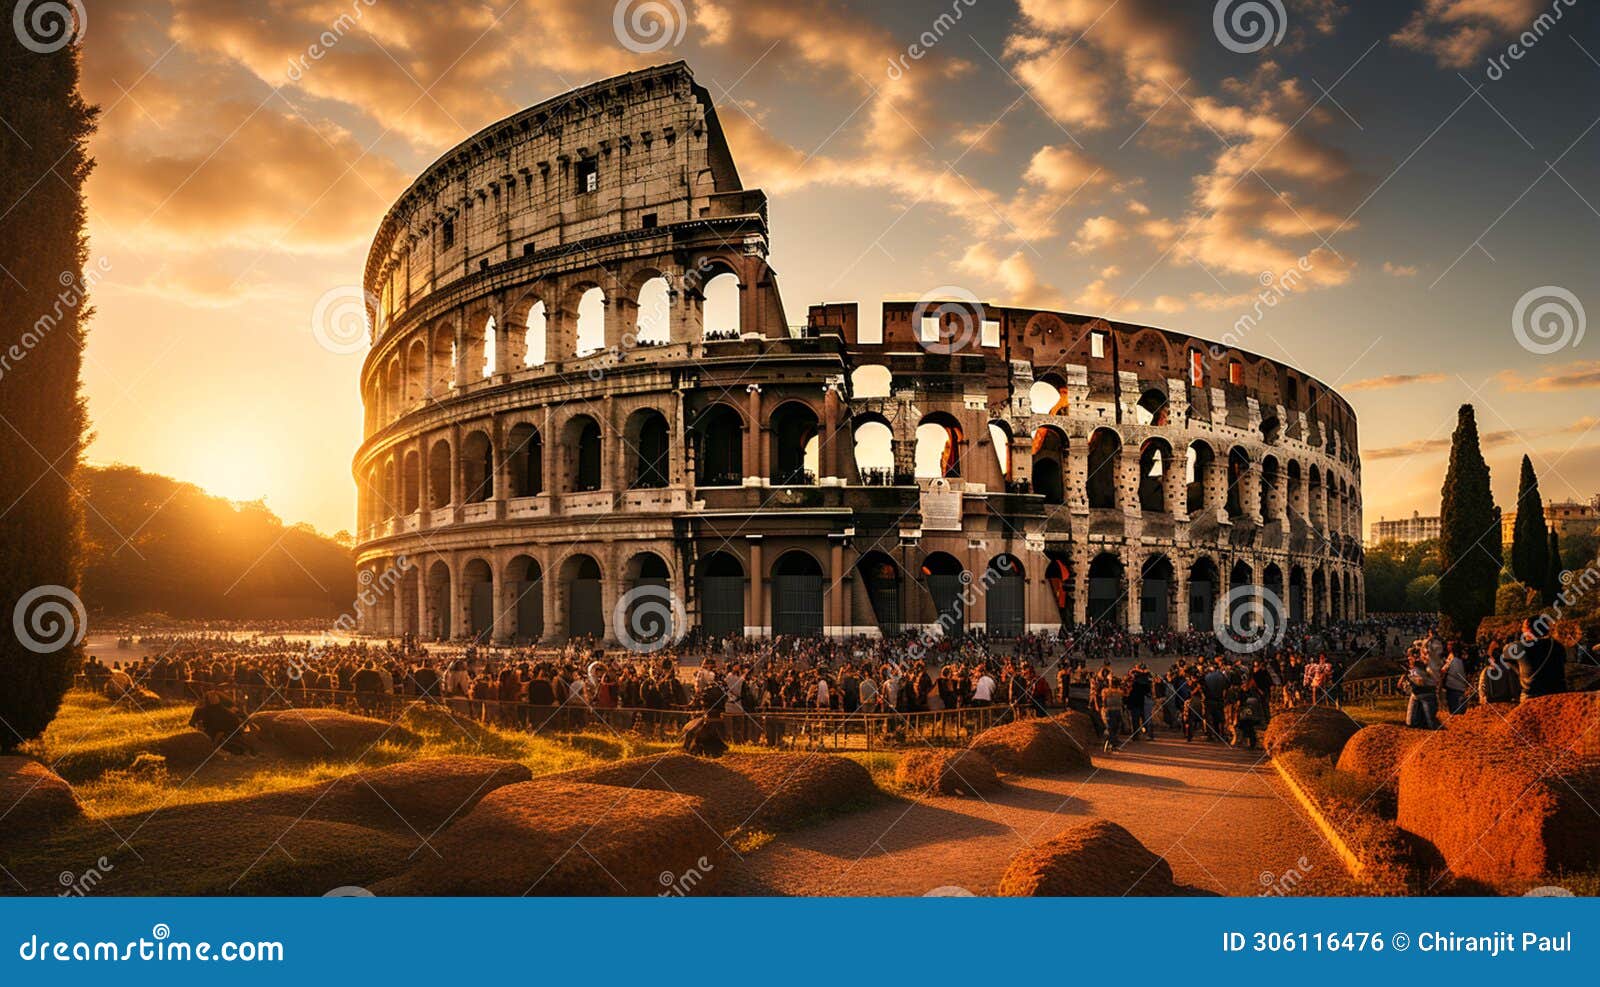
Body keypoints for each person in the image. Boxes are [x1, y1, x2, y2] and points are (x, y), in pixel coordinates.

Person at [188, 691, 257, 756]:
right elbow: (192, 723)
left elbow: (192, 723)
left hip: (222, 735)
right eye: (212, 696)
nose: (213, 697)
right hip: (218, 736)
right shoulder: (201, 711)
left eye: (214, 696)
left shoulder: (224, 711)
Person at [1515, 618, 1567, 701]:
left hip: (1532, 694)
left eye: (1523, 627)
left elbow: (1505, 655)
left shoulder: (1521, 647)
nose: (1522, 630)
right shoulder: (1558, 645)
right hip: (1558, 692)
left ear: (1529, 630)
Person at [1402, 656, 1439, 729]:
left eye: (1411, 659)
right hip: (1417, 694)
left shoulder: (1424, 668)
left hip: (1426, 693)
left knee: (1431, 723)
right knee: (1411, 722)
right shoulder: (1411, 671)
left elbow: (1422, 681)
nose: (1409, 661)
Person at [1439, 644, 1470, 715]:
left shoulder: (1451, 659)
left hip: (1452, 686)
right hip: (1461, 686)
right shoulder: (1461, 661)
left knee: (1454, 708)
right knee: (1458, 707)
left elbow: (1443, 670)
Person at [1100, 676, 1125, 753]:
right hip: (1111, 711)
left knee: (1114, 728)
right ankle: (1110, 745)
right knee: (1111, 729)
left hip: (1115, 710)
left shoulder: (1116, 691)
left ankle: (1112, 744)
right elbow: (1104, 701)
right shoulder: (1107, 691)